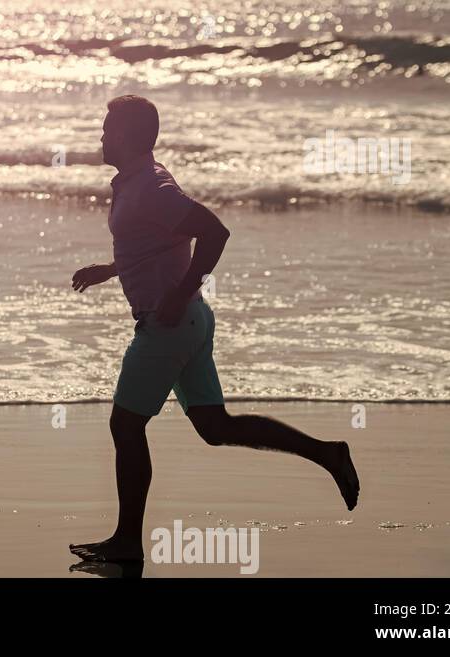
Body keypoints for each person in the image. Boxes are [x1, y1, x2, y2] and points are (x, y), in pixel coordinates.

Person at [68, 95, 360, 563]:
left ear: (126, 135)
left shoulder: (152, 188)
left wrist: (180, 292)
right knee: (214, 426)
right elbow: (159, 242)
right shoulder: (137, 184)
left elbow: (214, 231)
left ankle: (126, 543)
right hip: (190, 322)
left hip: (170, 325)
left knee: (126, 425)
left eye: (107, 128)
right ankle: (327, 454)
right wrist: (113, 268)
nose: (101, 135)